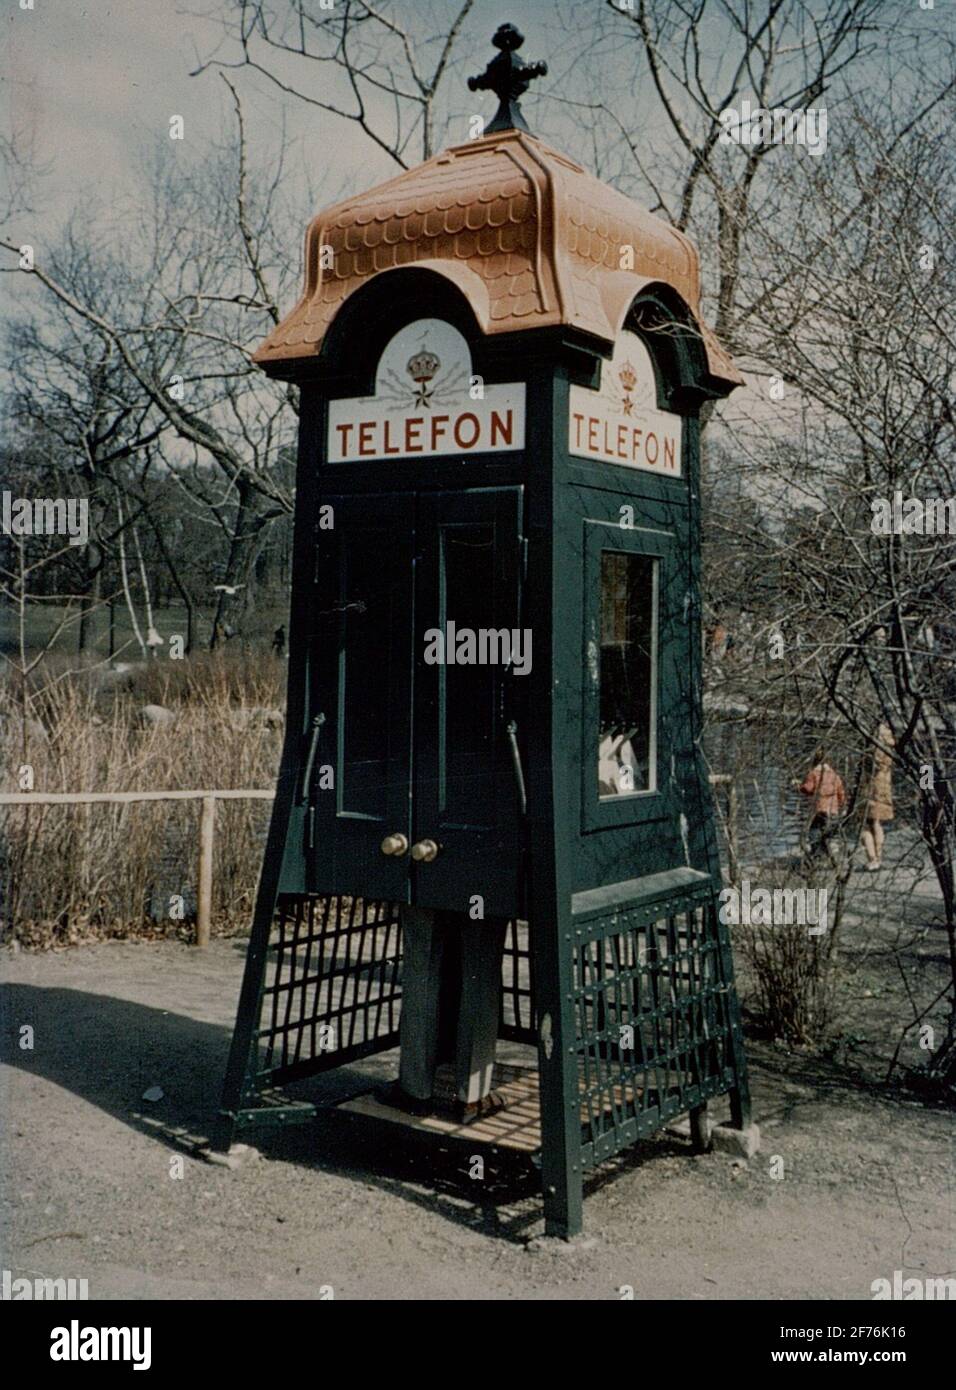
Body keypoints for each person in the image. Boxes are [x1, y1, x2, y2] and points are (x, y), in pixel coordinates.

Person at [798, 749, 846, 864]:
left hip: (820, 809)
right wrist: (842, 806)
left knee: (814, 831)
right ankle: (830, 852)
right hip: (833, 809)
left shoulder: (814, 773)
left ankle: (817, 854)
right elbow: (841, 793)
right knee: (828, 831)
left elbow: (808, 789)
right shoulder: (834, 775)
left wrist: (799, 786)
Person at [861, 723, 895, 870]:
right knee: (877, 823)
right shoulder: (890, 739)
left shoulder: (875, 738)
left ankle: (873, 859)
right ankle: (878, 858)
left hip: (872, 785)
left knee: (867, 824)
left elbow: (871, 764)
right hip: (885, 785)